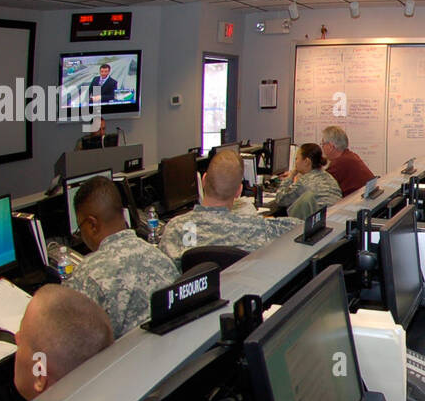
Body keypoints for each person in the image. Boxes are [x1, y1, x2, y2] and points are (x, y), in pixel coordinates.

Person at [66, 175, 177, 338]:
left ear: (92, 225)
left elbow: (76, 343)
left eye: (80, 228)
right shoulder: (158, 254)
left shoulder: (87, 276)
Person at [160, 149, 298, 269]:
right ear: (239, 191)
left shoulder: (176, 228)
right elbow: (304, 226)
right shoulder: (255, 227)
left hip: (196, 299)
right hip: (243, 295)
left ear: (203, 180)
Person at [268, 142, 343, 220]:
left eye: (297, 158)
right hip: (334, 218)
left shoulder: (304, 182)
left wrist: (291, 176)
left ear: (306, 161)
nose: (295, 162)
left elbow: (280, 199)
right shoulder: (328, 176)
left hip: (319, 223)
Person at [320, 125, 374, 195]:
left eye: (323, 144)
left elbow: (321, 185)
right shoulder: (350, 155)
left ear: (330, 146)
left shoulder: (340, 163)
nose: (322, 148)